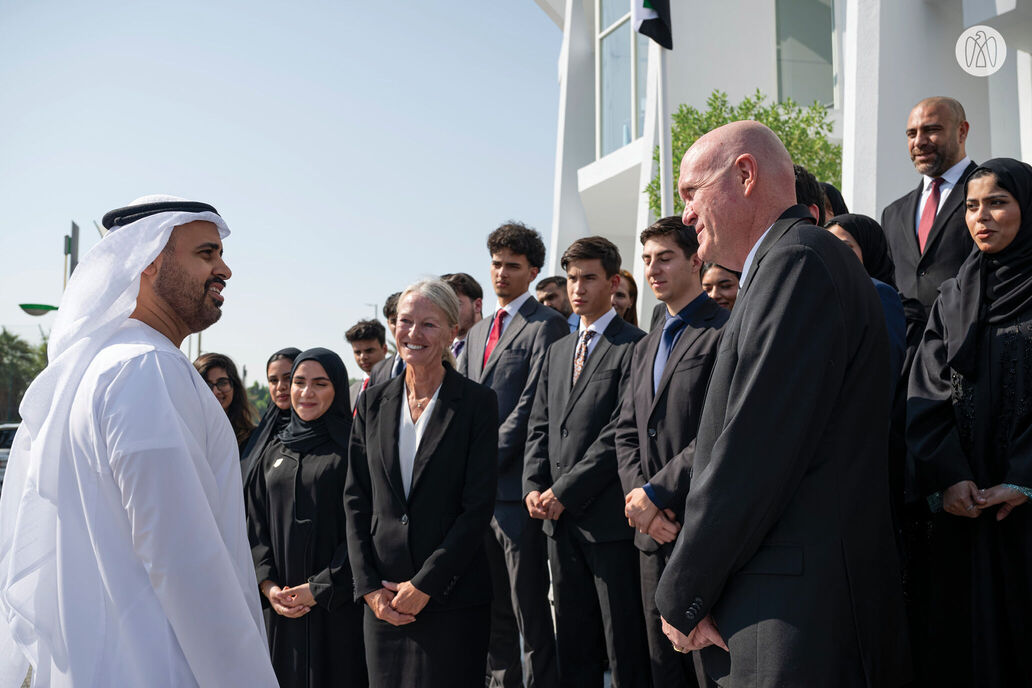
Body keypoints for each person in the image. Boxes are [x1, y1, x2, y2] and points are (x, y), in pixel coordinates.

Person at [653, 122, 911, 687]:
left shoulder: (797, 263)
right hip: (785, 600)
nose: (686, 215)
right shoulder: (788, 263)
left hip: (795, 611)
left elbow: (753, 449)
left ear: (744, 174)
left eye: (691, 193)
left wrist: (682, 591)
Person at [0, 195, 277, 686]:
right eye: (206, 254)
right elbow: (183, 558)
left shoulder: (105, 364)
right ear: (149, 261)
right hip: (158, 666)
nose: (225, 269)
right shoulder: (144, 368)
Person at [907, 158, 1032, 686]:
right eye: (973, 206)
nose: (982, 217)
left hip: (1024, 515)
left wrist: (1024, 477)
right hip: (967, 511)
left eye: (998, 203)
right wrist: (949, 477)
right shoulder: (955, 295)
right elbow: (925, 391)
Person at [345, 280, 499, 688]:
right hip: (384, 602)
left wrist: (426, 584)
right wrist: (369, 589)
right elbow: (356, 499)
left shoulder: (478, 404)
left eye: (428, 325)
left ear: (452, 331)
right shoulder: (371, 402)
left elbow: (477, 508)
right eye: (404, 322)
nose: (413, 334)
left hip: (451, 599)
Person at [523, 237, 649, 688]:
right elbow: (539, 425)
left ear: (613, 282)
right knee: (573, 645)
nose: (577, 288)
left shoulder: (635, 345)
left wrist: (565, 491)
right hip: (558, 524)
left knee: (624, 644)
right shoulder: (558, 349)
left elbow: (620, 431)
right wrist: (533, 488)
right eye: (572, 278)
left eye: (588, 277)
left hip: (608, 523)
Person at [615, 217, 728, 688]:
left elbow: (717, 430)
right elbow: (625, 431)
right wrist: (640, 502)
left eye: (665, 258)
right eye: (646, 260)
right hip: (649, 536)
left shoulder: (724, 330)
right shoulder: (646, 343)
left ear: (695, 259)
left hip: (698, 528)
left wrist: (657, 494)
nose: (653, 270)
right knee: (663, 669)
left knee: (709, 669)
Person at [458, 222, 567, 688]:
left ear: (533, 271)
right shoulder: (478, 330)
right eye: (497, 264)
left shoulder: (548, 325)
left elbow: (532, 405)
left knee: (529, 612)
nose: (502, 273)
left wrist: (480, 460)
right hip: (476, 497)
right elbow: (463, 403)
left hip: (515, 491)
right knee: (492, 610)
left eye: (513, 266)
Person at [246, 347, 366, 687]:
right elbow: (255, 526)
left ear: (338, 389)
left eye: (319, 384)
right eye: (298, 382)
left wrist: (320, 587)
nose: (305, 393)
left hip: (337, 606)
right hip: (281, 608)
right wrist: (268, 586)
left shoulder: (354, 449)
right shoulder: (274, 450)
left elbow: (365, 529)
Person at [881, 97, 978, 326]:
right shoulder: (893, 214)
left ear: (962, 131)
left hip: (970, 346)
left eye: (932, 130)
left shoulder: (992, 197)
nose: (919, 141)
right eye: (911, 134)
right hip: (910, 353)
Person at [824, 214, 906, 384]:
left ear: (869, 250)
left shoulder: (882, 296)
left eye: (846, 247)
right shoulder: (825, 298)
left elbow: (882, 373)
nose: (836, 254)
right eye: (829, 247)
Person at [240, 347, 301, 483]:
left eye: (288, 378)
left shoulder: (317, 432)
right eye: (273, 380)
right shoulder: (261, 434)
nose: (280, 386)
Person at [194, 352, 257, 453]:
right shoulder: (186, 435)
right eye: (206, 384)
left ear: (235, 387)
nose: (215, 392)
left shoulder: (254, 439)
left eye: (222, 382)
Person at [346, 319, 388, 409]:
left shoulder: (397, 384)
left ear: (384, 349)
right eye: (357, 352)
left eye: (369, 351)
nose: (363, 357)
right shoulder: (351, 391)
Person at [442, 271, 484, 360]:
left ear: (477, 305)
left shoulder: (492, 345)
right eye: (444, 306)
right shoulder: (441, 351)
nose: (448, 312)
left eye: (456, 304)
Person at [369, 292, 405, 386]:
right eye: (394, 321)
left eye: (404, 320)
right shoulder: (378, 370)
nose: (399, 326)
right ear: (388, 323)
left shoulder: (434, 366)